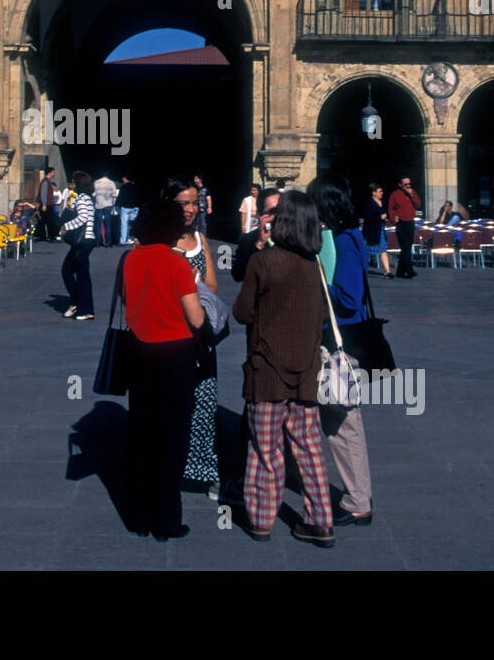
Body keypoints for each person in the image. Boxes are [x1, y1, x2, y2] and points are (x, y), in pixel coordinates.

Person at [231, 190, 335, 547]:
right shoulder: (314, 265)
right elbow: (321, 315)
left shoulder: (265, 262)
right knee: (309, 448)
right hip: (306, 371)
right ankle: (320, 520)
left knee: (265, 448)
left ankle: (261, 519)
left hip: (267, 372)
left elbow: (242, 312)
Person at [121, 198, 206, 541]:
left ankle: (139, 517)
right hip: (175, 355)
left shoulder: (128, 259)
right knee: (173, 439)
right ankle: (167, 520)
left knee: (143, 434)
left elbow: (129, 302)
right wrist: (196, 285)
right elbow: (197, 317)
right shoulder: (176, 264)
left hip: (138, 351)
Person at [309, 172, 375, 531]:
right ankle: (357, 496)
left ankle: (358, 501)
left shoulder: (346, 240)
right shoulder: (342, 237)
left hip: (343, 342)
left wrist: (315, 281)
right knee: (338, 421)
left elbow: (348, 296)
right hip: (341, 338)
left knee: (345, 422)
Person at [162, 175, 223, 496]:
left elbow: (212, 286)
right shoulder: (156, 241)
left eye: (193, 203)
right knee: (168, 405)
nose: (189, 209)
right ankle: (166, 466)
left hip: (199, 338)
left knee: (203, 402)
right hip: (167, 338)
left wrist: (190, 286)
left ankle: (201, 468)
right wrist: (189, 286)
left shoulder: (200, 238)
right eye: (182, 203)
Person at [60, 171, 97, 321]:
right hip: (86, 241)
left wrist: (67, 226)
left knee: (74, 273)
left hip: (83, 241)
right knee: (76, 272)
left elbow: (83, 217)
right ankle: (80, 305)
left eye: (73, 182)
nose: (71, 185)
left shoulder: (81, 199)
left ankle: (82, 308)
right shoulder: (87, 198)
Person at [232, 187, 282, 283]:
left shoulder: (295, 237)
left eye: (281, 210)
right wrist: (260, 243)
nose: (277, 216)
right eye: (272, 212)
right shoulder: (248, 240)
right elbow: (238, 275)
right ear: (259, 214)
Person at [387, 175, 421, 279]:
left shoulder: (412, 193)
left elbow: (418, 205)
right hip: (401, 223)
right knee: (405, 247)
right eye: (405, 184)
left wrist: (412, 195)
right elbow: (390, 208)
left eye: (409, 184)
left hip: (410, 222)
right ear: (400, 185)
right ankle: (409, 270)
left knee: (408, 247)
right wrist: (393, 219)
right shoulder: (395, 195)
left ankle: (400, 271)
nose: (408, 186)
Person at [363, 182, 391, 278]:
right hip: (371, 231)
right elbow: (368, 217)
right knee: (368, 251)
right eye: (379, 191)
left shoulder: (383, 202)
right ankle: (363, 269)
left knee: (383, 250)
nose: (381, 193)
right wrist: (380, 217)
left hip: (380, 230)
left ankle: (387, 271)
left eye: (381, 191)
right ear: (373, 193)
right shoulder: (369, 203)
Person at [93, 172, 118, 247]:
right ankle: (108, 242)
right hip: (107, 204)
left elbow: (94, 194)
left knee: (98, 225)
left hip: (98, 205)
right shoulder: (111, 183)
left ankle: (97, 242)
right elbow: (114, 195)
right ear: (108, 176)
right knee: (108, 225)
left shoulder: (96, 182)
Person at [36, 167, 60, 242]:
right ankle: (51, 236)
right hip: (47, 205)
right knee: (49, 221)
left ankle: (42, 235)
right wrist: (44, 204)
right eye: (53, 172)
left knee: (44, 220)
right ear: (50, 172)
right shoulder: (45, 181)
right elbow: (43, 193)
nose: (53, 173)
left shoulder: (47, 181)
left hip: (48, 204)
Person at [117, 174, 139, 245]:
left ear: (125, 178)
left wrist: (118, 205)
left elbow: (120, 198)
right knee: (134, 224)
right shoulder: (135, 186)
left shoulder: (123, 187)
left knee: (124, 224)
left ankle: (123, 240)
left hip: (126, 207)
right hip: (135, 207)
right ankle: (136, 239)